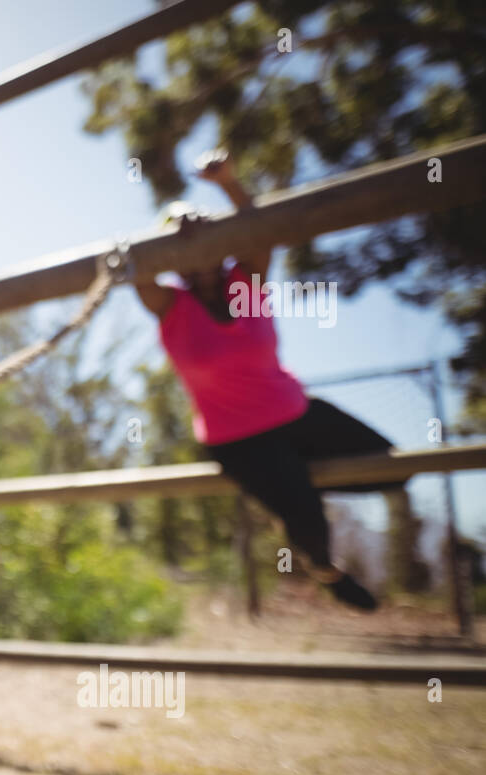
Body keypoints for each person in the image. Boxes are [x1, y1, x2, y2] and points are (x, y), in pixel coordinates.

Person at [131, 148, 399, 611]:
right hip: (237, 438)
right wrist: (171, 236)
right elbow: (137, 271)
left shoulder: (245, 283)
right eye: (183, 246)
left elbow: (259, 230)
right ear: (172, 258)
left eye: (206, 237)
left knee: (396, 468)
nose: (198, 251)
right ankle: (325, 570)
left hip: (295, 411)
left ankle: (292, 486)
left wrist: (228, 183)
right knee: (311, 528)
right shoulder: (171, 307)